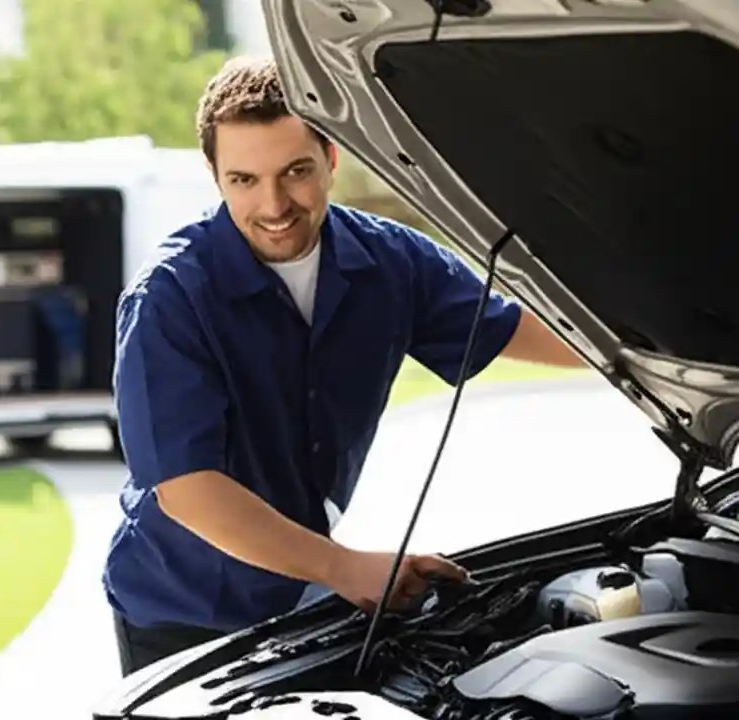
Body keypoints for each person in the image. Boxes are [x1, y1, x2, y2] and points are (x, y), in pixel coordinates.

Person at [103, 57, 587, 677]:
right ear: (214, 176)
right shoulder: (169, 298)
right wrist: (346, 567)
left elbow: (519, 328)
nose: (274, 204)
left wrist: (654, 355)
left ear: (331, 159)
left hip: (303, 591)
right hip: (185, 611)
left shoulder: (389, 261)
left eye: (296, 172)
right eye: (244, 179)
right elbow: (188, 491)